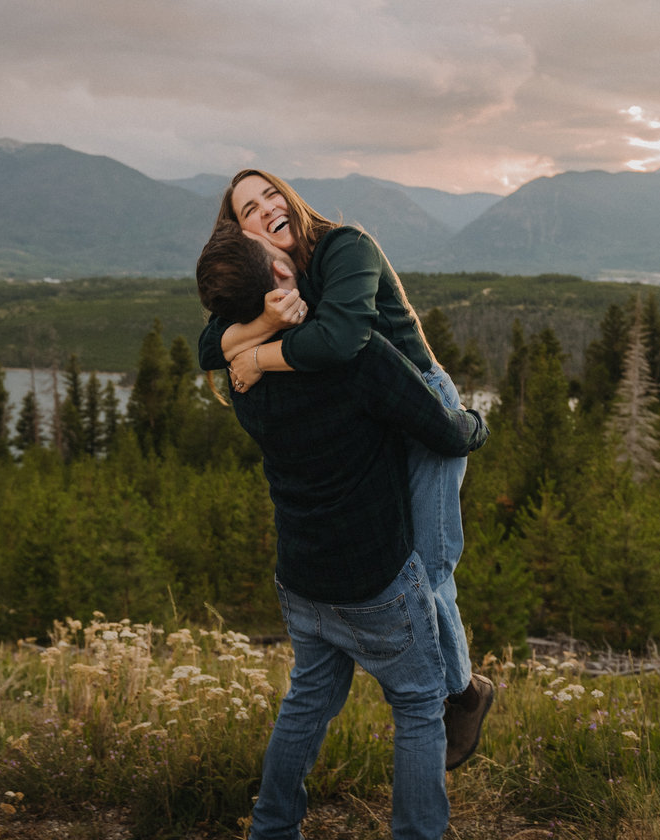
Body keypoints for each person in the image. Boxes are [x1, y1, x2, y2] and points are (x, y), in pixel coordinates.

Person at [196, 222, 491, 840]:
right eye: (280, 256)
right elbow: (443, 433)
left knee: (307, 702)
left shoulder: (243, 380)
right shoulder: (357, 359)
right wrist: (476, 423)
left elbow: (220, 347)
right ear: (280, 277)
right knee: (416, 706)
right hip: (375, 579)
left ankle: (272, 830)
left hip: (301, 580)